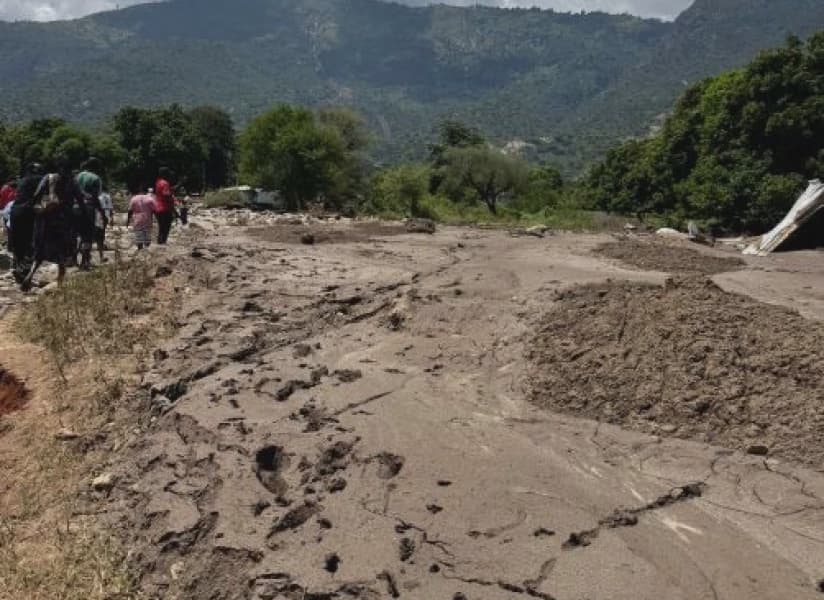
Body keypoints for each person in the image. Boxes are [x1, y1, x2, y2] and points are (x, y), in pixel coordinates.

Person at [20, 159, 81, 291]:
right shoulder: (72, 182)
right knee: (63, 253)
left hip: (45, 219)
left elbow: (36, 196)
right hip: (63, 222)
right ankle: (60, 284)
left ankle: (29, 276)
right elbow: (80, 201)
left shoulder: (48, 178)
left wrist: (39, 208)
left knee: (39, 252)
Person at [9, 163, 44, 284]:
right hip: (28, 211)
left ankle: (17, 268)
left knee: (18, 242)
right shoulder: (38, 179)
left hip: (15, 211)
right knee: (32, 243)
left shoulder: (23, 180)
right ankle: (23, 270)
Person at [75, 158, 104, 270]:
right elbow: (95, 198)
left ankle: (72, 259)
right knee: (87, 235)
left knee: (76, 234)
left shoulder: (77, 177)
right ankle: (84, 262)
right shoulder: (95, 178)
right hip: (88, 208)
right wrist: (101, 212)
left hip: (75, 207)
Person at [154, 167, 175, 245]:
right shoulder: (165, 183)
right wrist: (172, 192)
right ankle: (163, 242)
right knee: (166, 226)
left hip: (158, 207)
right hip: (165, 208)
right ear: (165, 174)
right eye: (168, 173)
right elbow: (166, 194)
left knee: (161, 227)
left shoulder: (158, 182)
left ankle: (160, 242)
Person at [95, 187, 114, 262]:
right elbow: (110, 207)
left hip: (96, 216)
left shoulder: (93, 196)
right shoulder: (106, 196)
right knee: (101, 234)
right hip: (103, 216)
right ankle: (101, 253)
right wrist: (111, 217)